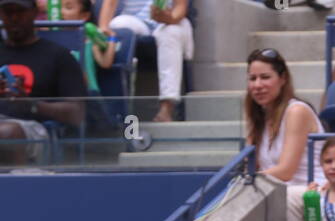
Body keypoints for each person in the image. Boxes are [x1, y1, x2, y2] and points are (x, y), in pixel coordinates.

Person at [0, 0, 86, 165]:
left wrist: (32, 105)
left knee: (7, 133)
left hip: (33, 127)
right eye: (8, 12)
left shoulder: (58, 56)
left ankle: (21, 187)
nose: (14, 18)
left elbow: (77, 113)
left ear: (34, 12)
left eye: (20, 11)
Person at [98, 0, 192, 123]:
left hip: (171, 20)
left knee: (171, 33)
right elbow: (110, 3)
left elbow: (180, 7)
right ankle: (117, 110)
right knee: (117, 24)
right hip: (135, 20)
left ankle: (166, 108)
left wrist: (168, 18)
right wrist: (103, 30)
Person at [245, 48, 323, 192]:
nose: (257, 85)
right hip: (274, 193)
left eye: (265, 77)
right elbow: (248, 165)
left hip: (309, 192)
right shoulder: (260, 117)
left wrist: (246, 180)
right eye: (252, 78)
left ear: (283, 79)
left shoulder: (296, 111)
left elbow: (285, 172)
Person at [62, 0, 117, 95]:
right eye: (60, 7)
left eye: (69, 7)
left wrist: (112, 38)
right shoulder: (55, 39)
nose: (62, 12)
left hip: (89, 94)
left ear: (84, 16)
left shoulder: (90, 40)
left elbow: (105, 63)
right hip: (64, 94)